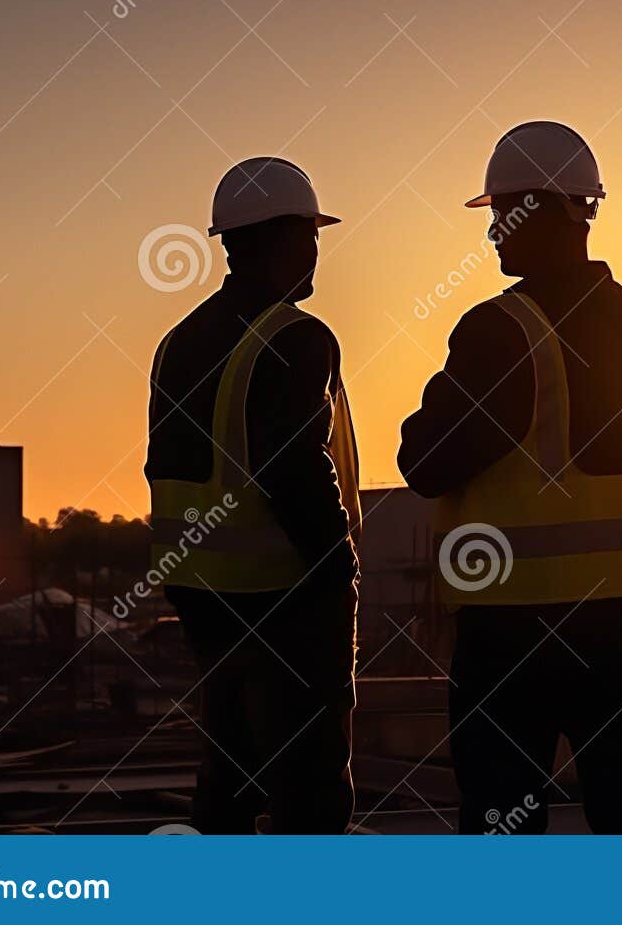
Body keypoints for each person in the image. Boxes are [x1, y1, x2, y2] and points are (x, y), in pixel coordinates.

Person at [399, 121, 622, 834]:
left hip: (513, 628)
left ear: (550, 212)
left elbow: (424, 461)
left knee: (503, 822)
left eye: (503, 213)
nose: (494, 232)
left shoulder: (499, 329)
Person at [145, 157, 360, 834]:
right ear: (280, 238)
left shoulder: (179, 340)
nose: (317, 252)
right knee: (310, 786)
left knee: (229, 775)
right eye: (310, 236)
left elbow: (167, 465)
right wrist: (339, 566)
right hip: (284, 591)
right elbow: (293, 466)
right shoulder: (296, 337)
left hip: (204, 592)